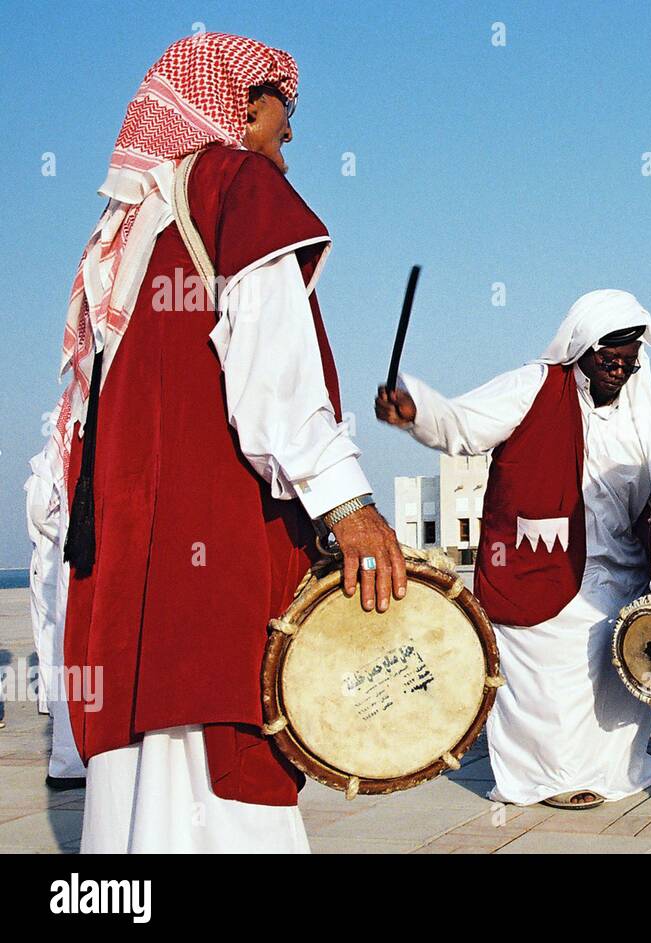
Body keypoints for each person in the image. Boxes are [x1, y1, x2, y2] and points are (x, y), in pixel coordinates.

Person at [58, 33, 403, 853]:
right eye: (281, 135)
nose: (284, 160)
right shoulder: (230, 180)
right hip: (217, 552)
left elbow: (78, 424)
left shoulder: (118, 243)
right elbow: (273, 373)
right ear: (238, 113)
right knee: (228, 749)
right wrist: (348, 502)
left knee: (141, 772)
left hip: (127, 571)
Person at [375, 289, 651, 809]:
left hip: (622, 574)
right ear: (583, 351)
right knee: (548, 688)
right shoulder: (534, 386)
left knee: (620, 684)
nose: (619, 372)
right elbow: (463, 423)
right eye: (609, 360)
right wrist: (417, 412)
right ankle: (547, 778)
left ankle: (616, 769)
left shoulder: (645, 421)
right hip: (542, 565)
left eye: (628, 362)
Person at [23, 396, 87, 788]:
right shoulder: (69, 430)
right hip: (67, 555)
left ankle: (72, 757)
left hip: (64, 554)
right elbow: (40, 510)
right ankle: (71, 760)